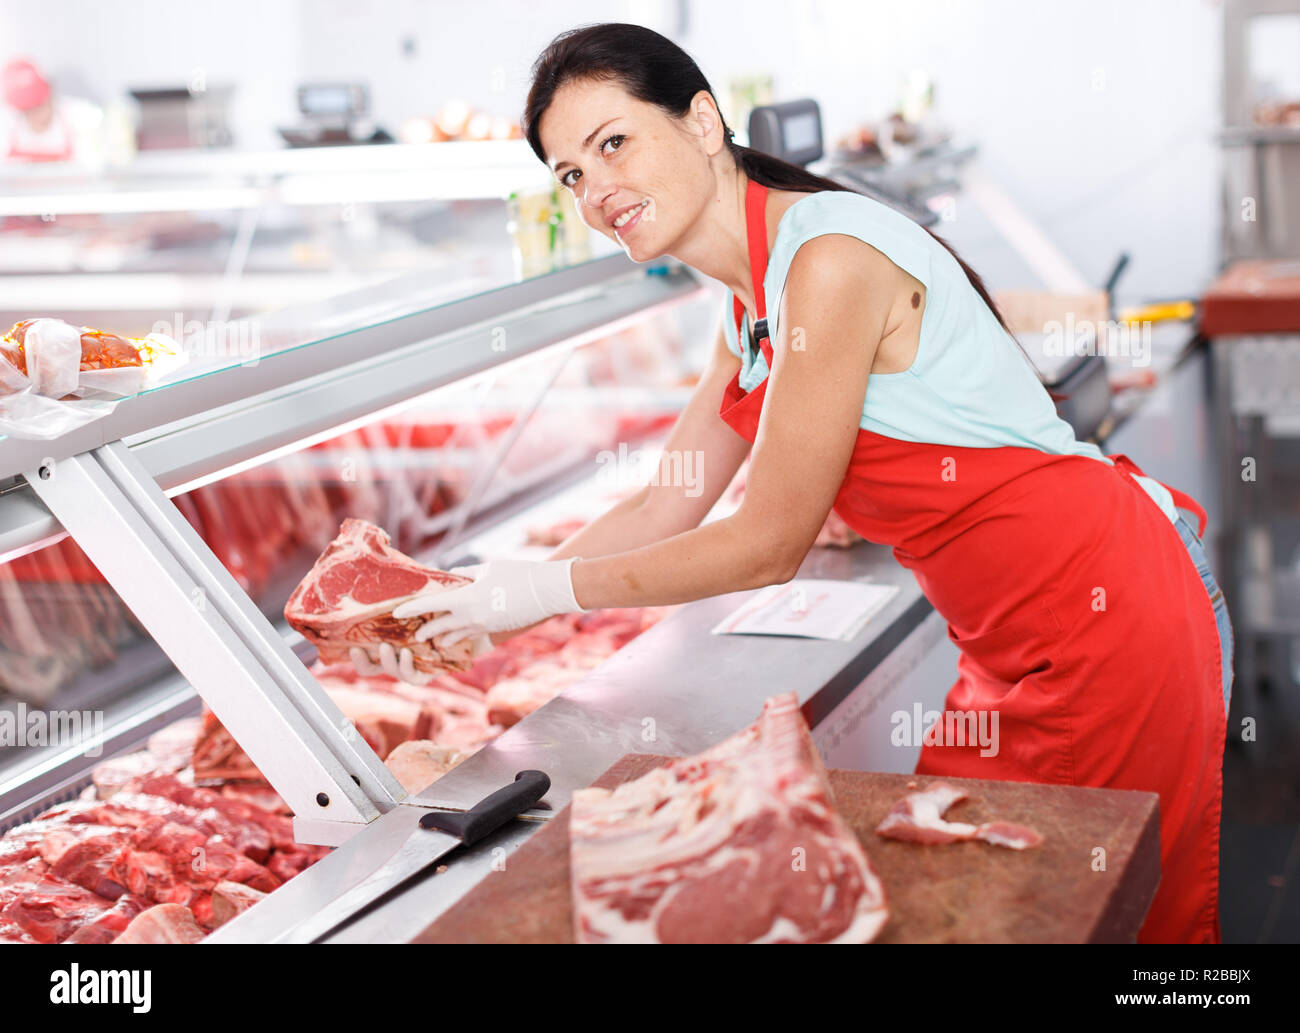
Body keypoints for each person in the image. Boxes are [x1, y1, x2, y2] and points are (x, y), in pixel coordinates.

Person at [354, 23, 1232, 944]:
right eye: (570, 174)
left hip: (1107, 623)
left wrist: (533, 592)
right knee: (993, 907)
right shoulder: (750, 302)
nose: (596, 188)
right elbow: (669, 500)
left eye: (613, 142)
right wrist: (474, 602)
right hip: (1009, 642)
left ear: (700, 121)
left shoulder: (827, 261)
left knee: (1112, 926)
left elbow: (768, 541)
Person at [2, 57, 99, 163]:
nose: (35, 112)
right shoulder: (6, 124)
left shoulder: (80, 117)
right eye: (28, 109)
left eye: (39, 104)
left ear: (49, 92)